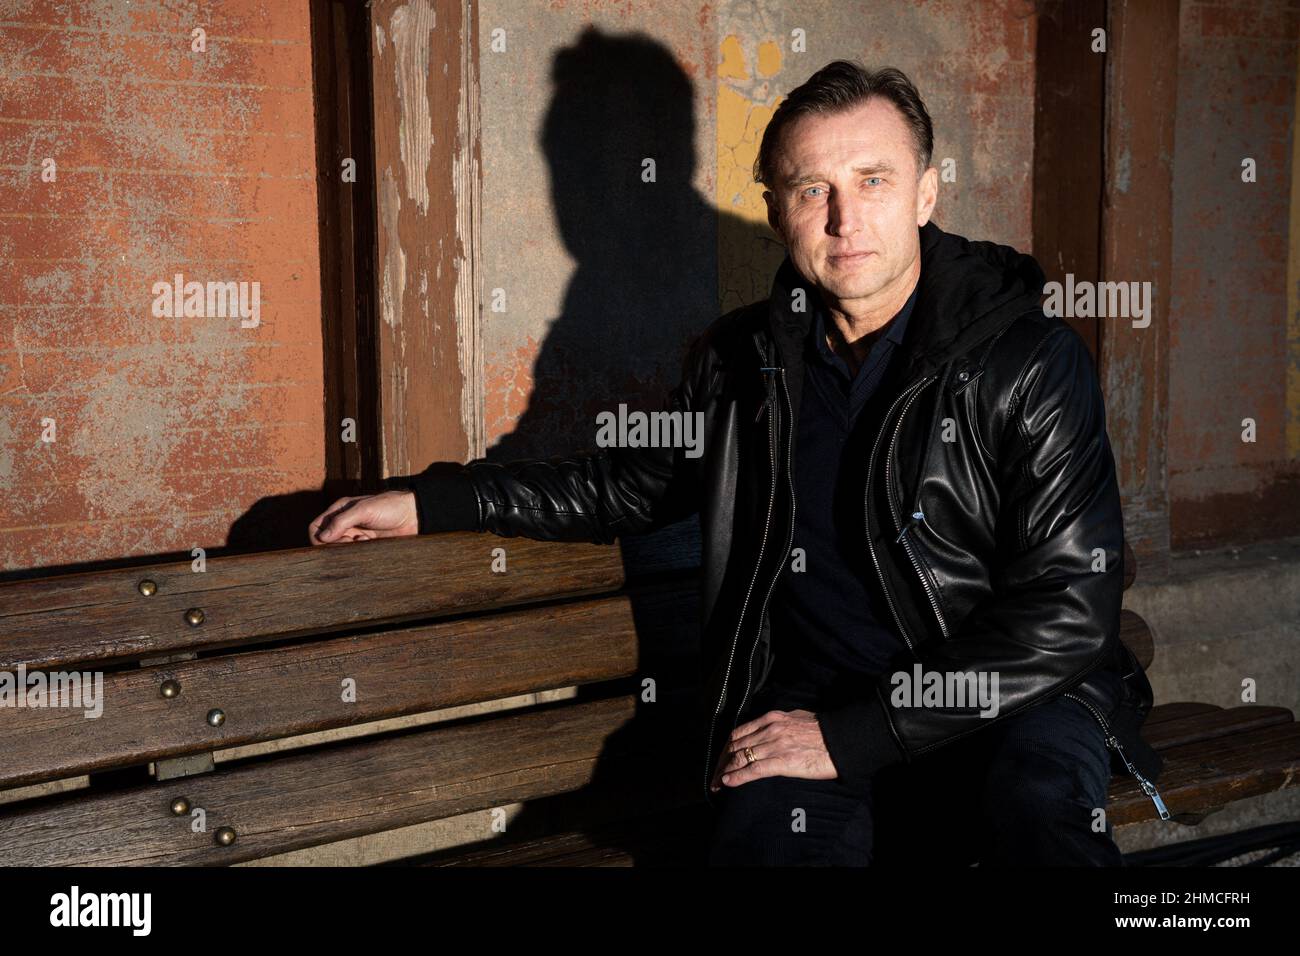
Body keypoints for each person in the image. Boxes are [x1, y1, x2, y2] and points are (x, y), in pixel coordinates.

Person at [308, 60, 1165, 866]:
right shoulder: (741, 360)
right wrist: (437, 502)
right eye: (811, 190)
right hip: (811, 710)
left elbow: (1066, 614)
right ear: (774, 208)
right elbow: (631, 481)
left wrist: (860, 734)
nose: (844, 219)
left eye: (873, 181)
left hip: (1006, 707)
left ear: (926, 194)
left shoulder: (1027, 360)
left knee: (1040, 822)